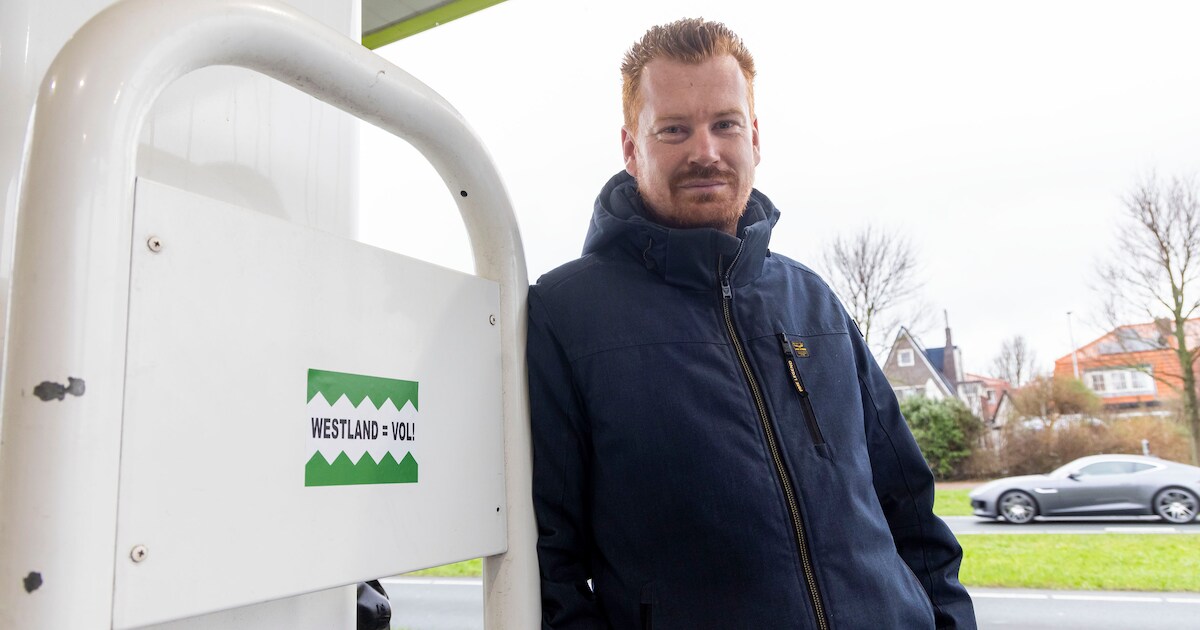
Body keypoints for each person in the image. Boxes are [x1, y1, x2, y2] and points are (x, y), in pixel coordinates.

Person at [527, 17, 977, 629]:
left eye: (725, 124)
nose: (705, 151)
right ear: (632, 149)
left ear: (755, 137)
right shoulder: (564, 315)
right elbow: (548, 566)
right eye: (674, 130)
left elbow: (909, 507)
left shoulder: (813, 301)